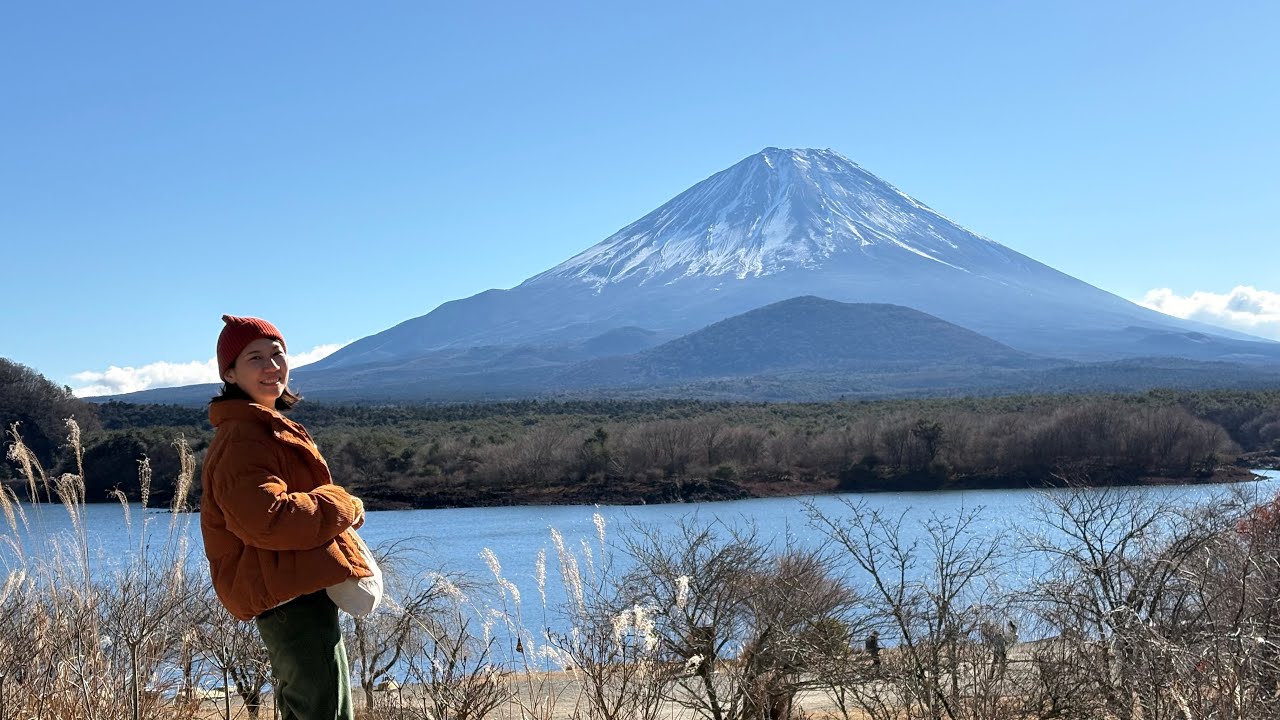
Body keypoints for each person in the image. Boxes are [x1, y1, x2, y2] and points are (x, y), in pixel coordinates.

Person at [200, 314, 371, 719]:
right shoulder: (244, 438)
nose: (271, 366)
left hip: (292, 585)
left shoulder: (263, 428)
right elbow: (269, 519)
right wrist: (343, 504)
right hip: (288, 594)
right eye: (255, 358)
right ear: (230, 373)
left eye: (277, 354)